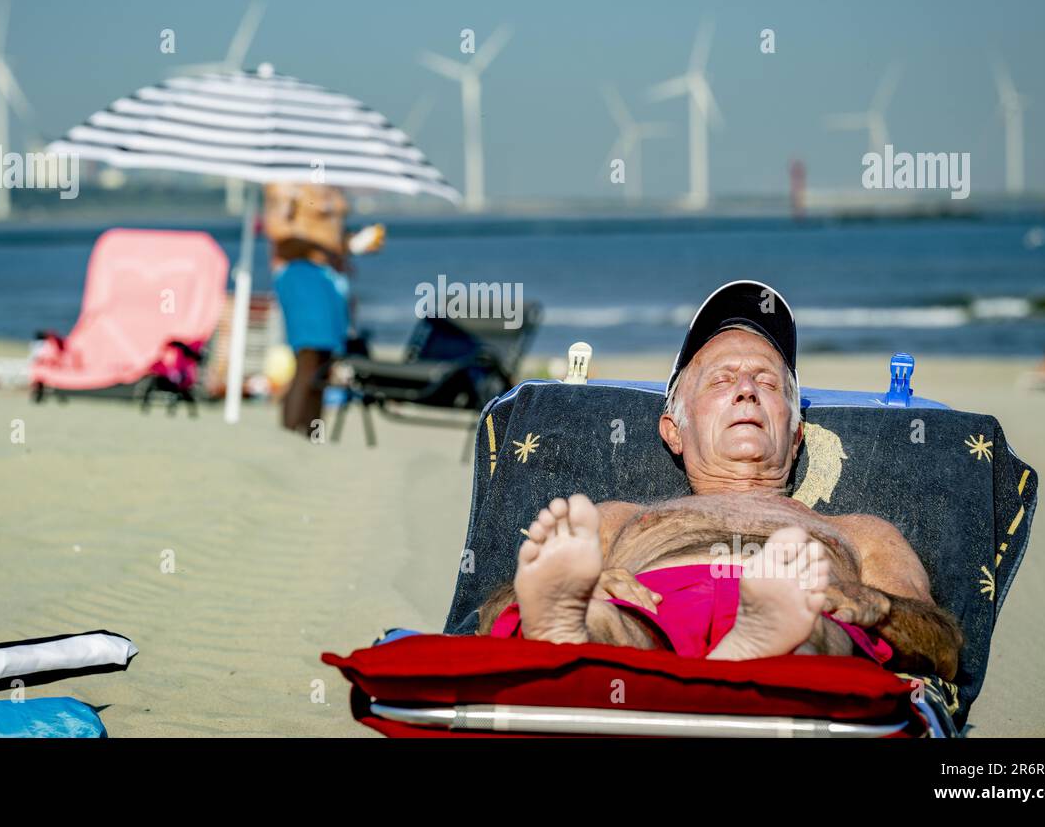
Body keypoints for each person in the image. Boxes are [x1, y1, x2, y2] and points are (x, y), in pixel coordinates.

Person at [478, 280, 964, 680]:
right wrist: (589, 587)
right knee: (605, 617)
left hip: (796, 607)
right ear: (674, 430)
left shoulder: (862, 533)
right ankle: (580, 632)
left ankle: (775, 647)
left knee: (816, 629)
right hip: (653, 605)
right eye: (720, 380)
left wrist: (872, 605)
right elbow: (496, 610)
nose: (747, 391)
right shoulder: (618, 521)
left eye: (768, 382)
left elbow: (940, 644)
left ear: (795, 434)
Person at [265, 183, 383, 437]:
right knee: (308, 356)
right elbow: (277, 230)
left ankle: (310, 434)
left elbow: (330, 234)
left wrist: (354, 243)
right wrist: (334, 244)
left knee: (325, 362)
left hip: (330, 277)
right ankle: (290, 433)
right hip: (301, 274)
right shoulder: (287, 183)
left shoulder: (332, 176)